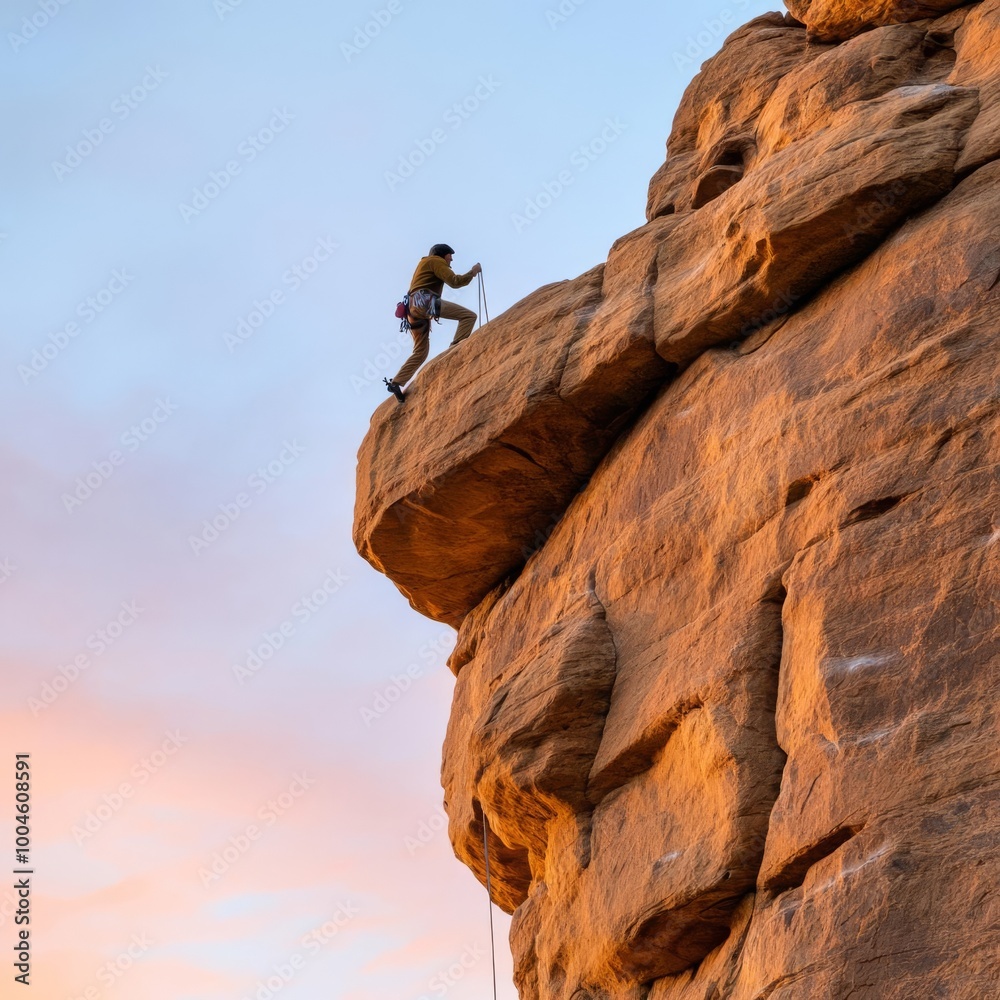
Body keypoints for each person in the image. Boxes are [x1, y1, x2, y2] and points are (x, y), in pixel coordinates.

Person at [384, 244, 482, 402]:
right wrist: (472, 272)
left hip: (412, 311)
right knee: (469, 316)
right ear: (442, 254)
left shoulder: (424, 263)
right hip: (424, 302)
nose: (451, 259)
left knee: (420, 353)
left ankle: (396, 382)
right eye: (450, 255)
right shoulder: (435, 261)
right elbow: (455, 281)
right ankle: (455, 348)